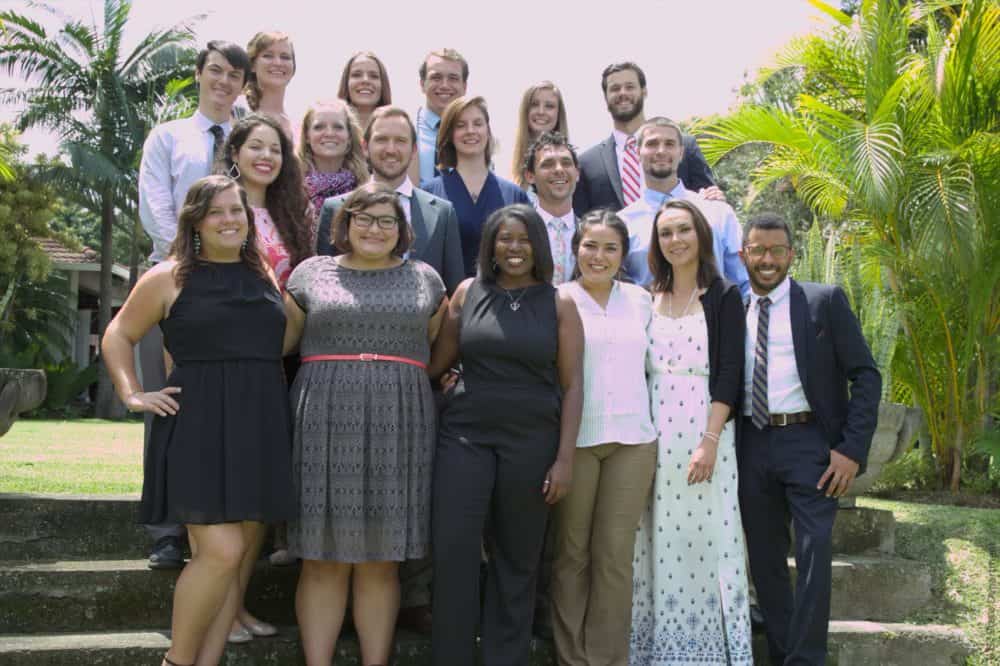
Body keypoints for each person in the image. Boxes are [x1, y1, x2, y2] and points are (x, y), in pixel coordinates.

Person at [102, 175, 295, 666]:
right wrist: (132, 394)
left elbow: (274, 343)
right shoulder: (169, 277)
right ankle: (177, 662)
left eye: (237, 210)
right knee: (222, 552)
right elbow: (118, 335)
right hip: (199, 423)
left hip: (259, 423)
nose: (230, 219)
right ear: (196, 221)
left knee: (241, 555)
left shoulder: (265, 272)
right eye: (217, 212)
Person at [284, 183, 448, 666]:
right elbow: (283, 344)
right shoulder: (309, 274)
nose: (375, 229)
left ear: (402, 230)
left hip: (402, 420)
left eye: (387, 221)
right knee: (320, 557)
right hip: (323, 418)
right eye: (364, 218)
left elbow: (434, 346)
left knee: (382, 557)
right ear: (344, 224)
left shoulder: (427, 279)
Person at [428, 204, 584, 666]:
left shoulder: (559, 303)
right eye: (504, 238)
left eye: (523, 238)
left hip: (532, 442)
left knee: (518, 560)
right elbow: (435, 363)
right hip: (465, 437)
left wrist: (564, 460)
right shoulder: (467, 292)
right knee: (453, 551)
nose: (513, 248)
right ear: (490, 246)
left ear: (538, 244)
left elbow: (573, 385)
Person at [737, 213, 880, 666]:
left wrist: (851, 450)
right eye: (758, 249)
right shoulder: (729, 306)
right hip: (751, 442)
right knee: (764, 559)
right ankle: (782, 653)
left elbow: (866, 375)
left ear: (791, 255)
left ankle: (807, 659)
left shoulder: (823, 301)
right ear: (743, 253)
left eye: (777, 250)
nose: (767, 259)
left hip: (811, 446)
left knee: (814, 549)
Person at [137, 39, 249, 571]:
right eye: (215, 72)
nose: (224, 82)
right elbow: (156, 205)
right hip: (176, 282)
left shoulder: (251, 140)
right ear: (199, 75)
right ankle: (166, 531)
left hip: (239, 287)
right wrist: (189, 262)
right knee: (169, 400)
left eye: (234, 75)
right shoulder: (169, 137)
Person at [629, 198, 751, 666]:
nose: (675, 240)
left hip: (705, 430)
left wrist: (710, 441)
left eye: (683, 230)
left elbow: (729, 372)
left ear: (700, 234)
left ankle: (706, 652)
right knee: (653, 537)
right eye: (665, 233)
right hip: (652, 431)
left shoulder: (722, 297)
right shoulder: (645, 295)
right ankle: (658, 650)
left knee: (706, 538)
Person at [550, 210, 657, 666]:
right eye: (591, 245)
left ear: (623, 253)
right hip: (576, 441)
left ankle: (608, 659)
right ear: (576, 249)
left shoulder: (640, 300)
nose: (599, 256)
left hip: (634, 440)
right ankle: (571, 658)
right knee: (571, 553)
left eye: (610, 247)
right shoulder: (558, 299)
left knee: (614, 557)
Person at [317, 105, 464, 295]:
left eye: (400, 141)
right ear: (365, 147)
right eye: (381, 140)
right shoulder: (336, 208)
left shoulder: (442, 213)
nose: (391, 149)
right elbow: (319, 288)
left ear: (413, 150)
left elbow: (454, 294)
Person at [618, 117, 749, 293]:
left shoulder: (717, 212)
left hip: (716, 317)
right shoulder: (623, 224)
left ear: (681, 153)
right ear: (637, 153)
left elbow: (744, 282)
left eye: (669, 144)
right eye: (652, 144)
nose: (661, 151)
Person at [572, 62, 721, 217]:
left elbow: (709, 201)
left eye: (630, 86)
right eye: (615, 88)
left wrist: (715, 200)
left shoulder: (683, 146)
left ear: (644, 92)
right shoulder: (587, 164)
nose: (623, 93)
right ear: (605, 97)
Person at [423, 96, 531, 277]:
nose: (470, 131)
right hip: (448, 301)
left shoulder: (514, 196)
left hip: (503, 300)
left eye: (478, 124)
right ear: (449, 134)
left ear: (488, 131)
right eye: (461, 125)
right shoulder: (429, 194)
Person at [220, 113, 312, 289]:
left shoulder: (293, 214)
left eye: (275, 150)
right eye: (256, 147)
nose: (266, 156)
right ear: (234, 154)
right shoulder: (217, 210)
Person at [298, 99, 369, 224]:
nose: (329, 133)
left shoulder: (366, 190)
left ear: (349, 137)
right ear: (307, 136)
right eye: (319, 127)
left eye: (338, 127)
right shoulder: (292, 188)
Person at [523, 131, 579, 285]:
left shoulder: (592, 231)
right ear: (530, 176)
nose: (559, 169)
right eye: (547, 164)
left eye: (566, 163)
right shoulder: (517, 230)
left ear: (577, 172)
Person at [410, 48, 468, 186]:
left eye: (453, 78)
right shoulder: (407, 127)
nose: (444, 85)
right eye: (436, 77)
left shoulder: (477, 133)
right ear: (422, 84)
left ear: (464, 87)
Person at [511, 82, 570, 190]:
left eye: (549, 106)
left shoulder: (571, 169)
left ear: (559, 113)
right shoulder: (509, 170)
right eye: (534, 104)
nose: (541, 112)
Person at [241, 31, 296, 138]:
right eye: (268, 56)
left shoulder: (298, 124)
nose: (278, 63)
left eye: (285, 57)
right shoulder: (237, 111)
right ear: (252, 65)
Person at [337, 51, 392, 131]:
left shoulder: (398, 131)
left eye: (374, 76)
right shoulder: (332, 133)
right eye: (356, 75)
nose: (365, 80)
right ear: (346, 83)